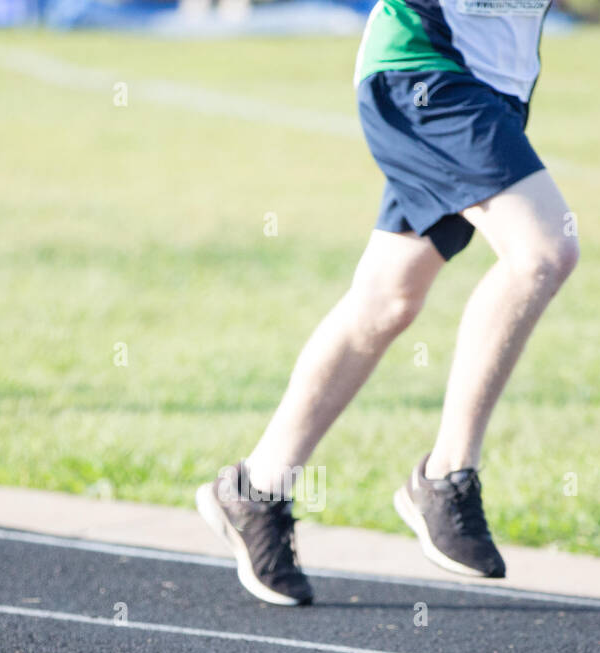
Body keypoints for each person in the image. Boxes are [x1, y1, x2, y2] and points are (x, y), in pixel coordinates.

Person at [197, 0, 579, 605]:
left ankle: (256, 489)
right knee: (543, 252)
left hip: (496, 85)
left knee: (389, 298)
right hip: (423, 69)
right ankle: (446, 478)